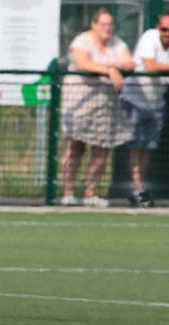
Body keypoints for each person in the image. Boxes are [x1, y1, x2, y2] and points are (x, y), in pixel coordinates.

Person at [60, 8, 134, 208]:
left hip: (106, 104)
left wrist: (114, 67)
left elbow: (129, 63)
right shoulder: (82, 41)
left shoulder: (116, 43)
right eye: (103, 24)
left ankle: (90, 193)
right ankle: (68, 192)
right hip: (80, 102)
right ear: (94, 25)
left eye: (110, 24)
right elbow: (83, 63)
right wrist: (110, 69)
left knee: (102, 150)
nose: (107, 29)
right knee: (75, 148)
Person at [120, 12, 169, 208]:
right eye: (165, 29)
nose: (167, 34)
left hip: (156, 103)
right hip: (135, 101)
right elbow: (149, 65)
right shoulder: (149, 37)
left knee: (147, 148)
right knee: (136, 146)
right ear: (158, 28)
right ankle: (137, 188)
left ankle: (139, 189)